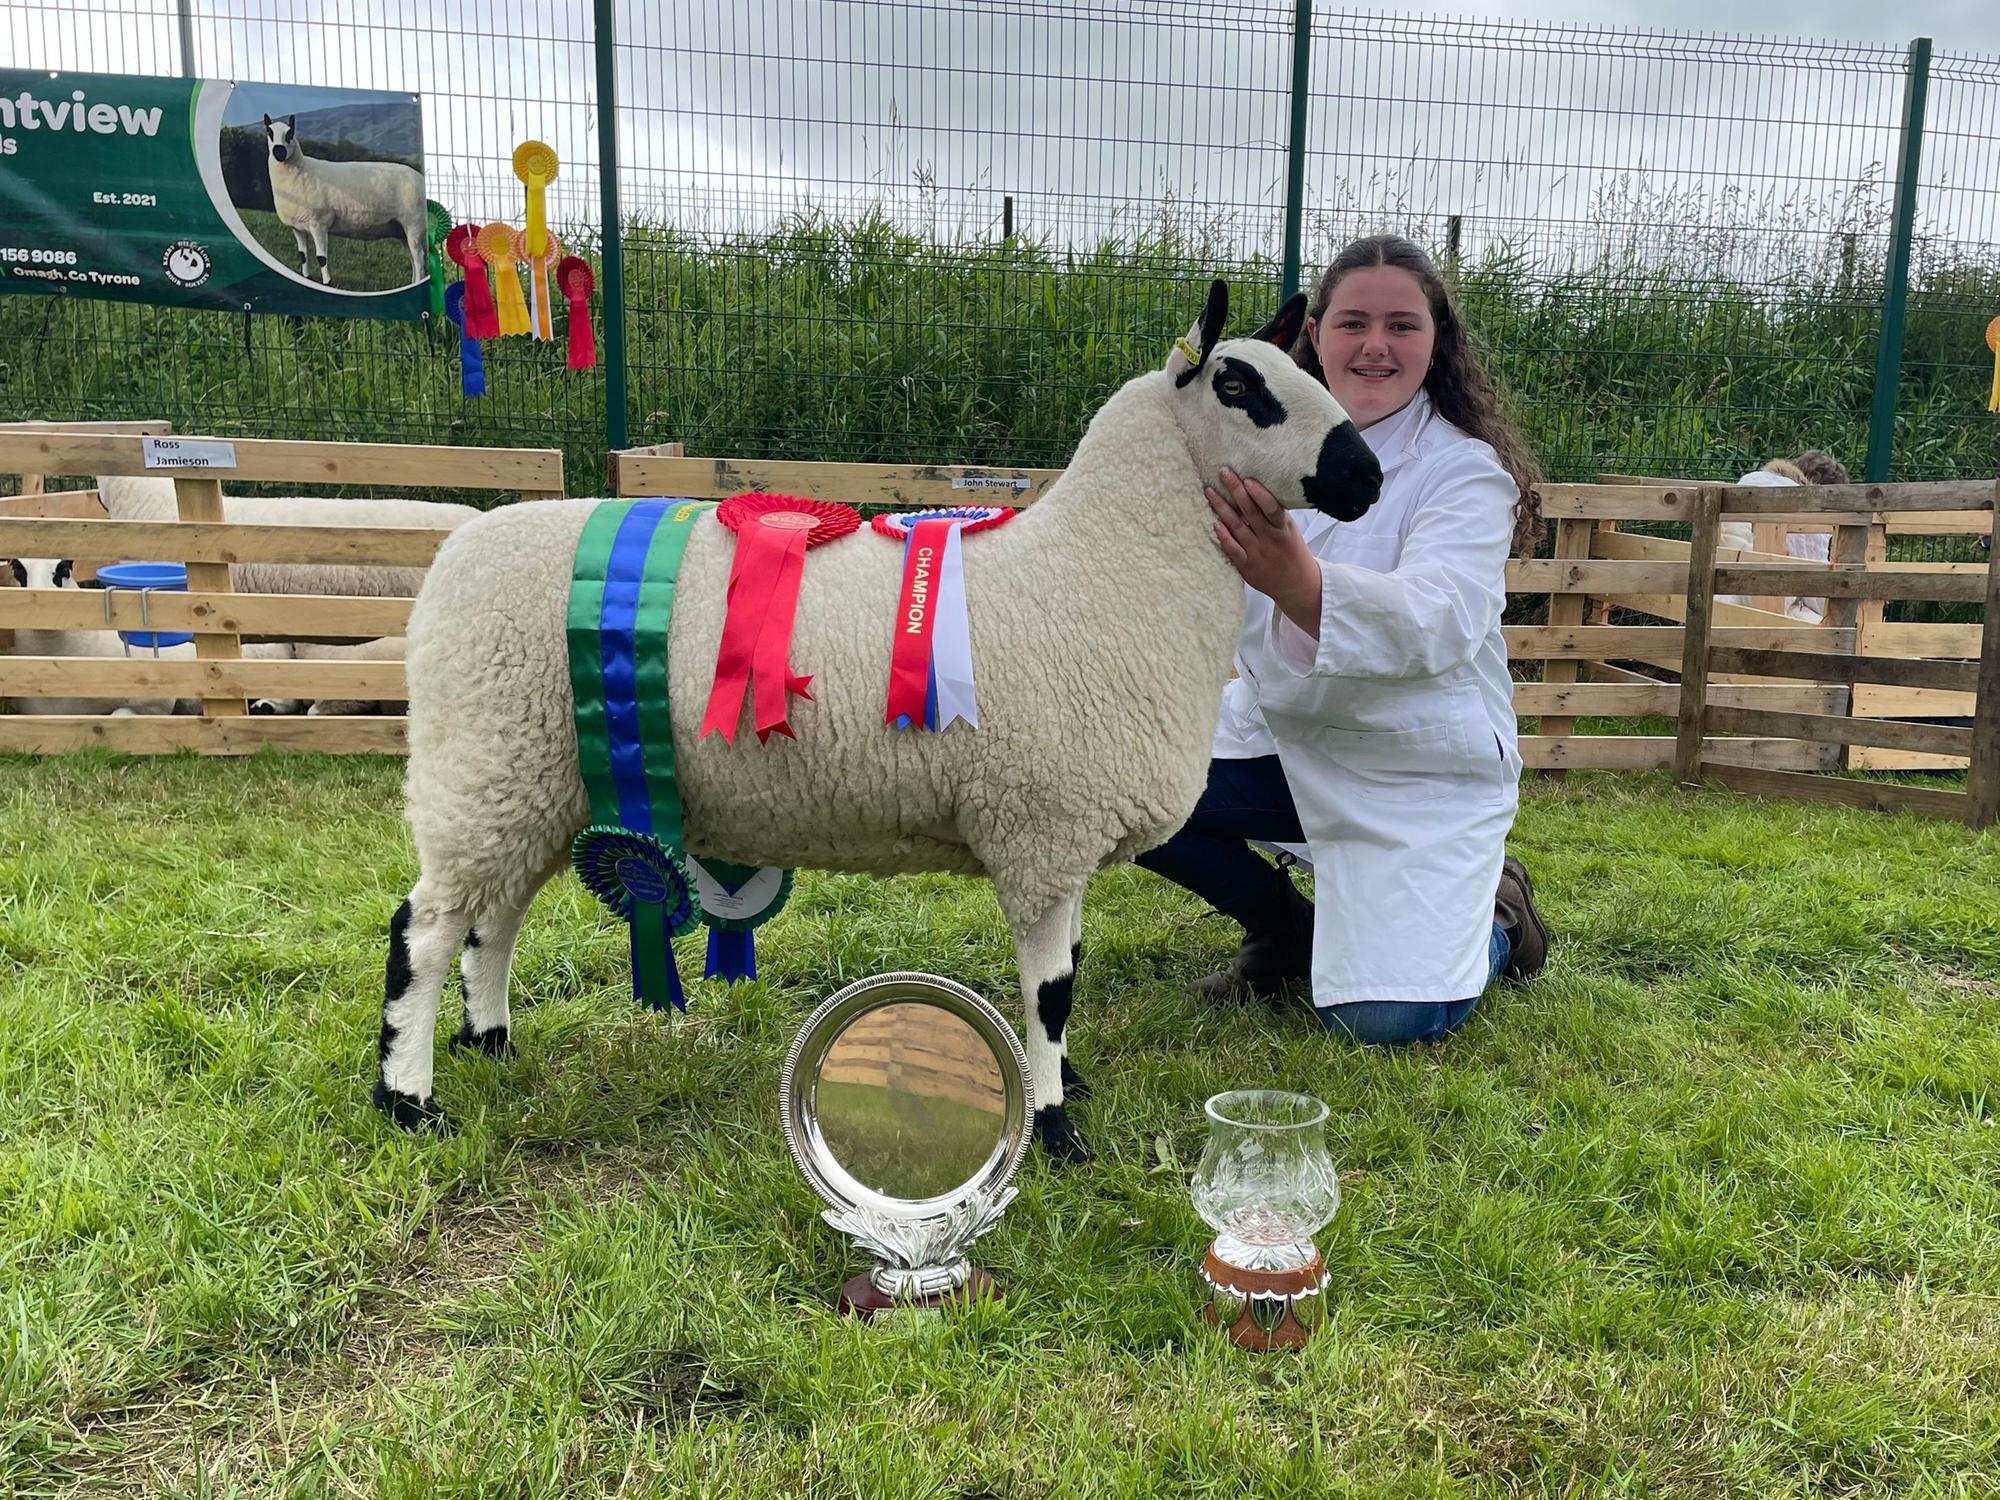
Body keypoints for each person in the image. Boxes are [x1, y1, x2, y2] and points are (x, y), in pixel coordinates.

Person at [1134, 233, 1549, 1046]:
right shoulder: (1253, 438)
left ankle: (1501, 914)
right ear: (1315, 334)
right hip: (1284, 739)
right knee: (1128, 790)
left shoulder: (1462, 472)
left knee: (1385, 1021)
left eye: (1403, 325)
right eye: (1353, 322)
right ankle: (1286, 930)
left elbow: (1442, 616)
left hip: (1409, 765)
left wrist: (1301, 582)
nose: (1375, 345)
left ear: (1437, 341)